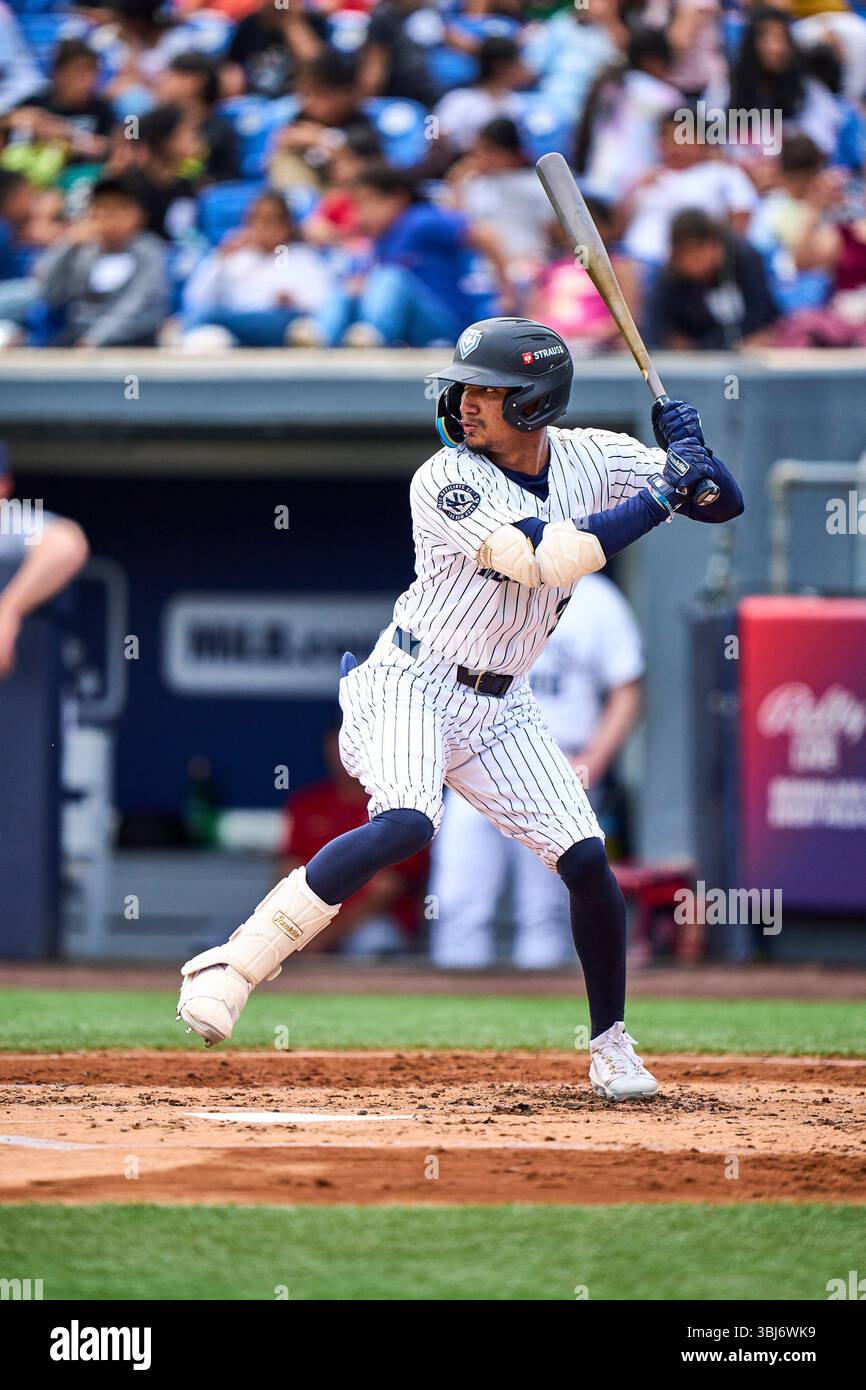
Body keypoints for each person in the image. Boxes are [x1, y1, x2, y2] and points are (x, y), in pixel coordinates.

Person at [176, 314, 744, 1101]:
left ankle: (612, 1045)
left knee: (587, 863)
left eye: (490, 391)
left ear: (537, 402)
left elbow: (724, 505)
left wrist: (696, 456)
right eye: (466, 387)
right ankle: (234, 962)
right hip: (412, 680)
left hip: (504, 706)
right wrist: (663, 492)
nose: (467, 402)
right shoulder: (446, 478)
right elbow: (545, 560)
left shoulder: (594, 456)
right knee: (409, 820)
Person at [429, 572, 644, 969]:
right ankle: (455, 1022)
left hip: (558, 767)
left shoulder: (596, 598)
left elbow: (627, 687)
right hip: (474, 761)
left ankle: (539, 1023)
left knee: (544, 910)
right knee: (458, 902)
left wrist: (594, 760)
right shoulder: (481, 583)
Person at [315, 164, 510, 347]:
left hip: (443, 321)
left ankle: (374, 335)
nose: (362, 213)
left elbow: (486, 235)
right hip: (406, 327)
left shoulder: (421, 219)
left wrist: (506, 290)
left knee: (391, 277)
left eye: (368, 201)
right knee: (348, 287)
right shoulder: (381, 239)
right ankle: (319, 336)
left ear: (397, 197)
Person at [279, 724, 429, 957]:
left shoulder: (398, 806)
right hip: (308, 921)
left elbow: (386, 888)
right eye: (337, 746)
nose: (343, 755)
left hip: (368, 921)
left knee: (375, 941)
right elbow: (288, 870)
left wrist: (328, 935)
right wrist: (301, 927)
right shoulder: (308, 802)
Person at [180, 189, 332, 347]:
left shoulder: (301, 256)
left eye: (269, 221)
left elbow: (322, 302)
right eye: (255, 221)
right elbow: (196, 300)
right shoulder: (234, 257)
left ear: (286, 226)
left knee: (297, 327)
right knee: (204, 334)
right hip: (234, 324)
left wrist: (295, 300)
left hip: (280, 325)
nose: (261, 227)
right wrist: (220, 258)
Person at [34, 176, 168, 347]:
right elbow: (50, 295)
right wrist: (67, 245)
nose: (109, 216)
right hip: (78, 336)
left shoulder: (150, 252)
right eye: (102, 207)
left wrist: (95, 339)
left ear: (138, 214)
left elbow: (136, 305)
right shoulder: (82, 250)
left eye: (119, 208)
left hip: (131, 341)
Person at [0, 445, 89, 678]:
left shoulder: (8, 522)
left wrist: (8, 610)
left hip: (22, 692)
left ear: (4, 485)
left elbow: (68, 544)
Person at [643, 208, 779, 349]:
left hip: (745, 347)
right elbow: (655, 331)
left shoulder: (743, 258)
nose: (696, 259)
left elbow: (761, 314)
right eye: (686, 252)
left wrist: (708, 345)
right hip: (693, 357)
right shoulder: (670, 277)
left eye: (700, 248)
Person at [10, 40, 116, 169]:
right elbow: (11, 122)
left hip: (81, 175)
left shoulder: (101, 109)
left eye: (93, 72)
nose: (88, 80)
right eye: (79, 72)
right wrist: (17, 120)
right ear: (58, 73)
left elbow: (109, 146)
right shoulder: (36, 103)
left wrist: (65, 134)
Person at [432, 35, 529, 155]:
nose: (522, 67)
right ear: (500, 66)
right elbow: (435, 137)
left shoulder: (517, 103)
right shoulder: (457, 100)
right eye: (517, 62)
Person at [158, 52, 240, 182]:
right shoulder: (158, 121)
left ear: (196, 82)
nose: (163, 82)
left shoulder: (221, 131)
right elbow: (131, 127)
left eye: (172, 76)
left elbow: (229, 177)